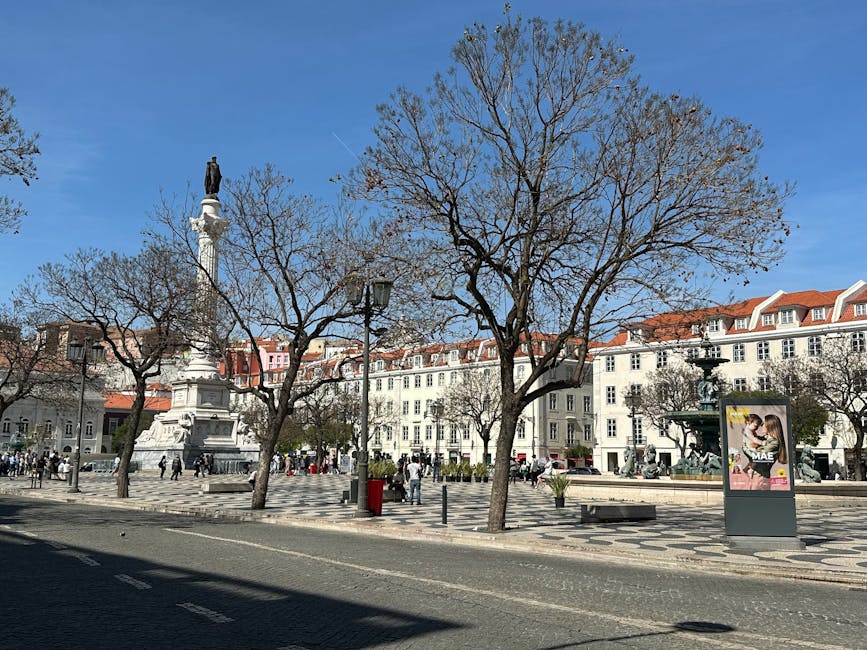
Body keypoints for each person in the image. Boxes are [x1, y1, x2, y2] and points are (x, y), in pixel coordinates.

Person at [742, 413, 787, 490]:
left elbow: (756, 456)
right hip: (757, 477)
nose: (760, 426)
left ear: (769, 426)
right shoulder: (766, 439)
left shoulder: (774, 442)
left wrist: (745, 447)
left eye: (763, 424)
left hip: (760, 478)